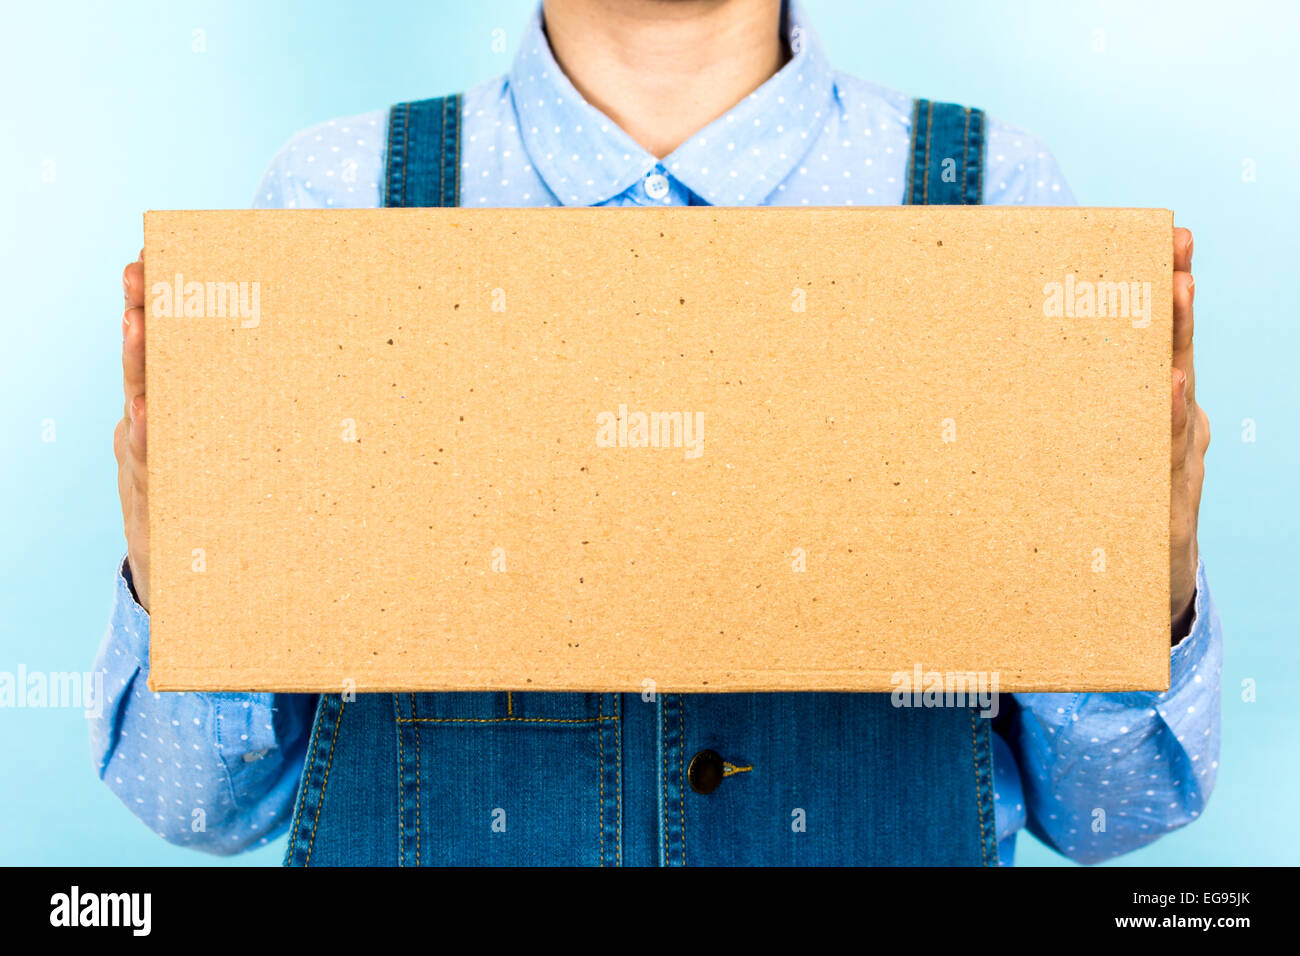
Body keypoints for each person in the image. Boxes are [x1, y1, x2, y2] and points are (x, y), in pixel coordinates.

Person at [98, 0, 1219, 866]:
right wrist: (181, 579)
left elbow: (1108, 815)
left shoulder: (994, 206)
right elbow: (204, 805)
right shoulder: (332, 207)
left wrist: (1145, 588)